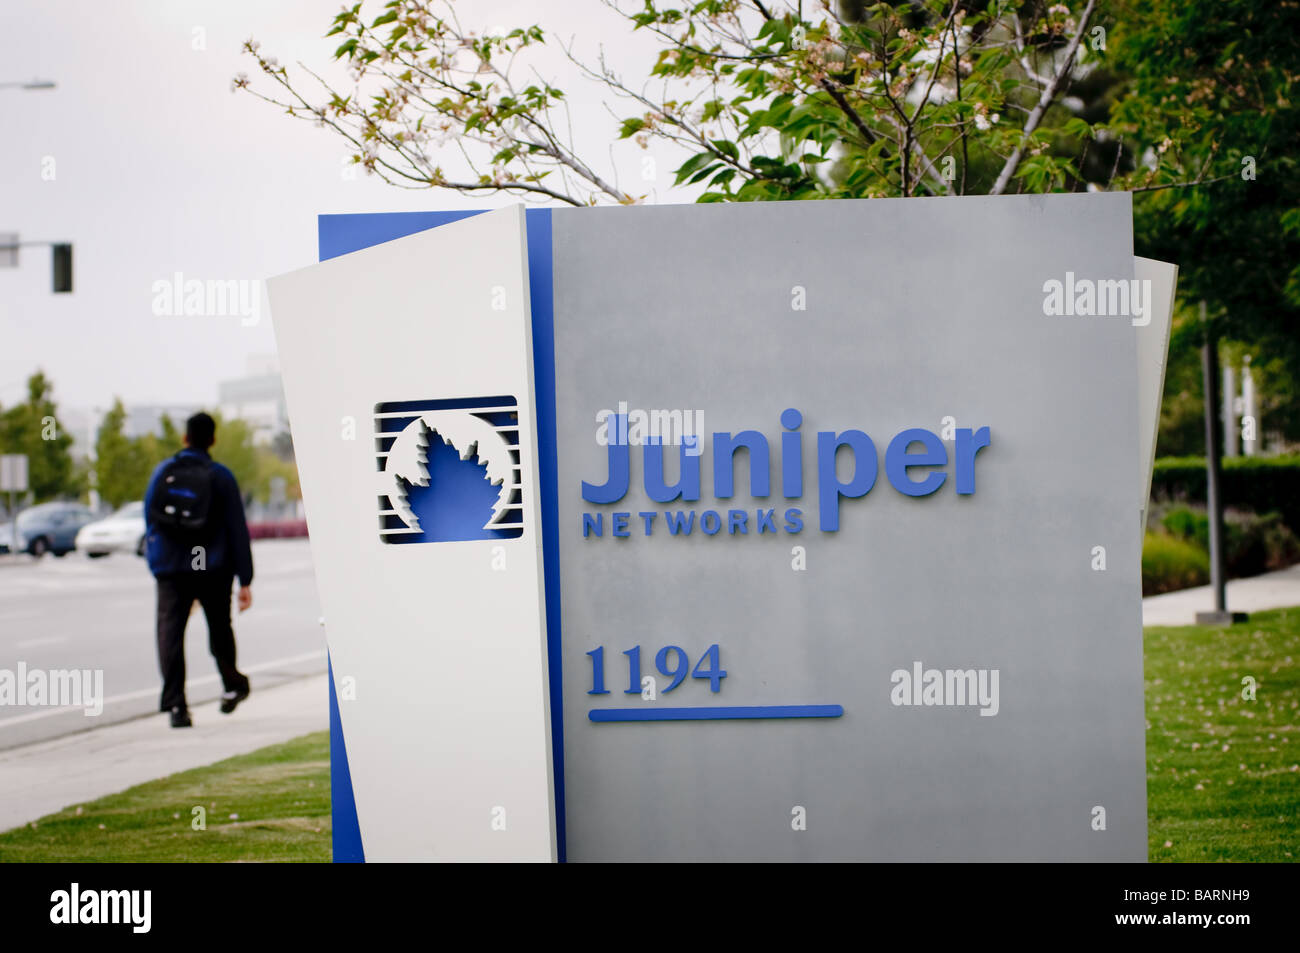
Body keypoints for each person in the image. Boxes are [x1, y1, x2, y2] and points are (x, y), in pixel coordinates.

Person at [144, 412, 254, 728]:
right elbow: (237, 529)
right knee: (219, 627)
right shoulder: (220, 476)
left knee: (170, 633)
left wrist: (157, 562)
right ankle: (232, 685)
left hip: (171, 568)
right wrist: (245, 579)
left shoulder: (163, 472)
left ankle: (177, 707)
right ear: (213, 439)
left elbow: (150, 519)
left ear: (185, 438)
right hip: (210, 565)